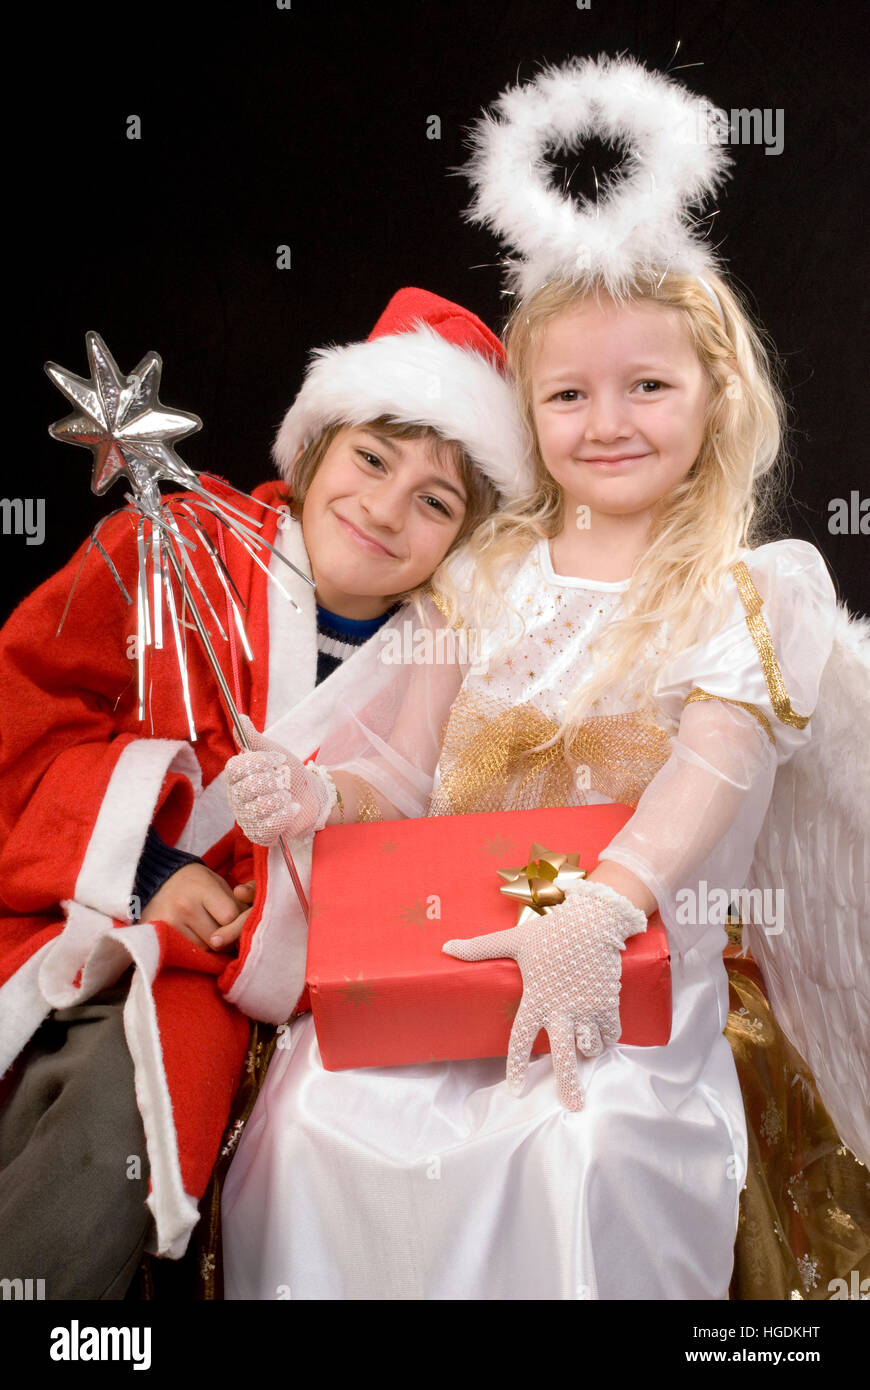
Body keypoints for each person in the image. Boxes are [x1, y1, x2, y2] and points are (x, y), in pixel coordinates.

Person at [220, 256, 844, 1298]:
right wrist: (323, 796)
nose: (607, 422)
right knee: (311, 1120)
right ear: (531, 416)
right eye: (567, 395)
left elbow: (707, 772)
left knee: (576, 1149)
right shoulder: (484, 575)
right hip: (449, 957)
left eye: (648, 385)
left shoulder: (747, 591)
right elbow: (404, 777)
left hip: (622, 978)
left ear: (718, 392)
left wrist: (600, 911)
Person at [0, 287, 527, 1297]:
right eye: (372, 460)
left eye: (436, 500)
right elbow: (22, 719)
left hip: (294, 991)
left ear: (464, 539)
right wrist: (151, 867)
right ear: (316, 446)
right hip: (80, 916)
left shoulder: (448, 665)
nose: (384, 509)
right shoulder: (172, 550)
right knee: (107, 1114)